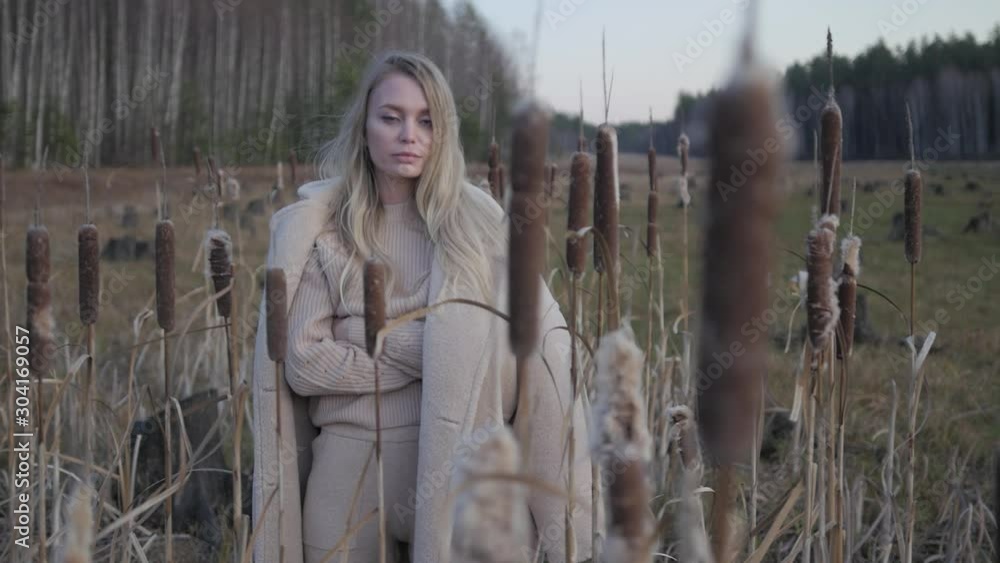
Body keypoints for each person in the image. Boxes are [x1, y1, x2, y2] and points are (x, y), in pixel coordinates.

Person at [251, 51, 598, 563]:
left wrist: (363, 336)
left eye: (426, 121)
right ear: (364, 128)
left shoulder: (477, 233)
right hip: (345, 472)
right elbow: (302, 363)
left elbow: (523, 353)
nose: (408, 135)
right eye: (391, 118)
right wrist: (439, 351)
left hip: (462, 475)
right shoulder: (326, 232)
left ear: (443, 133)